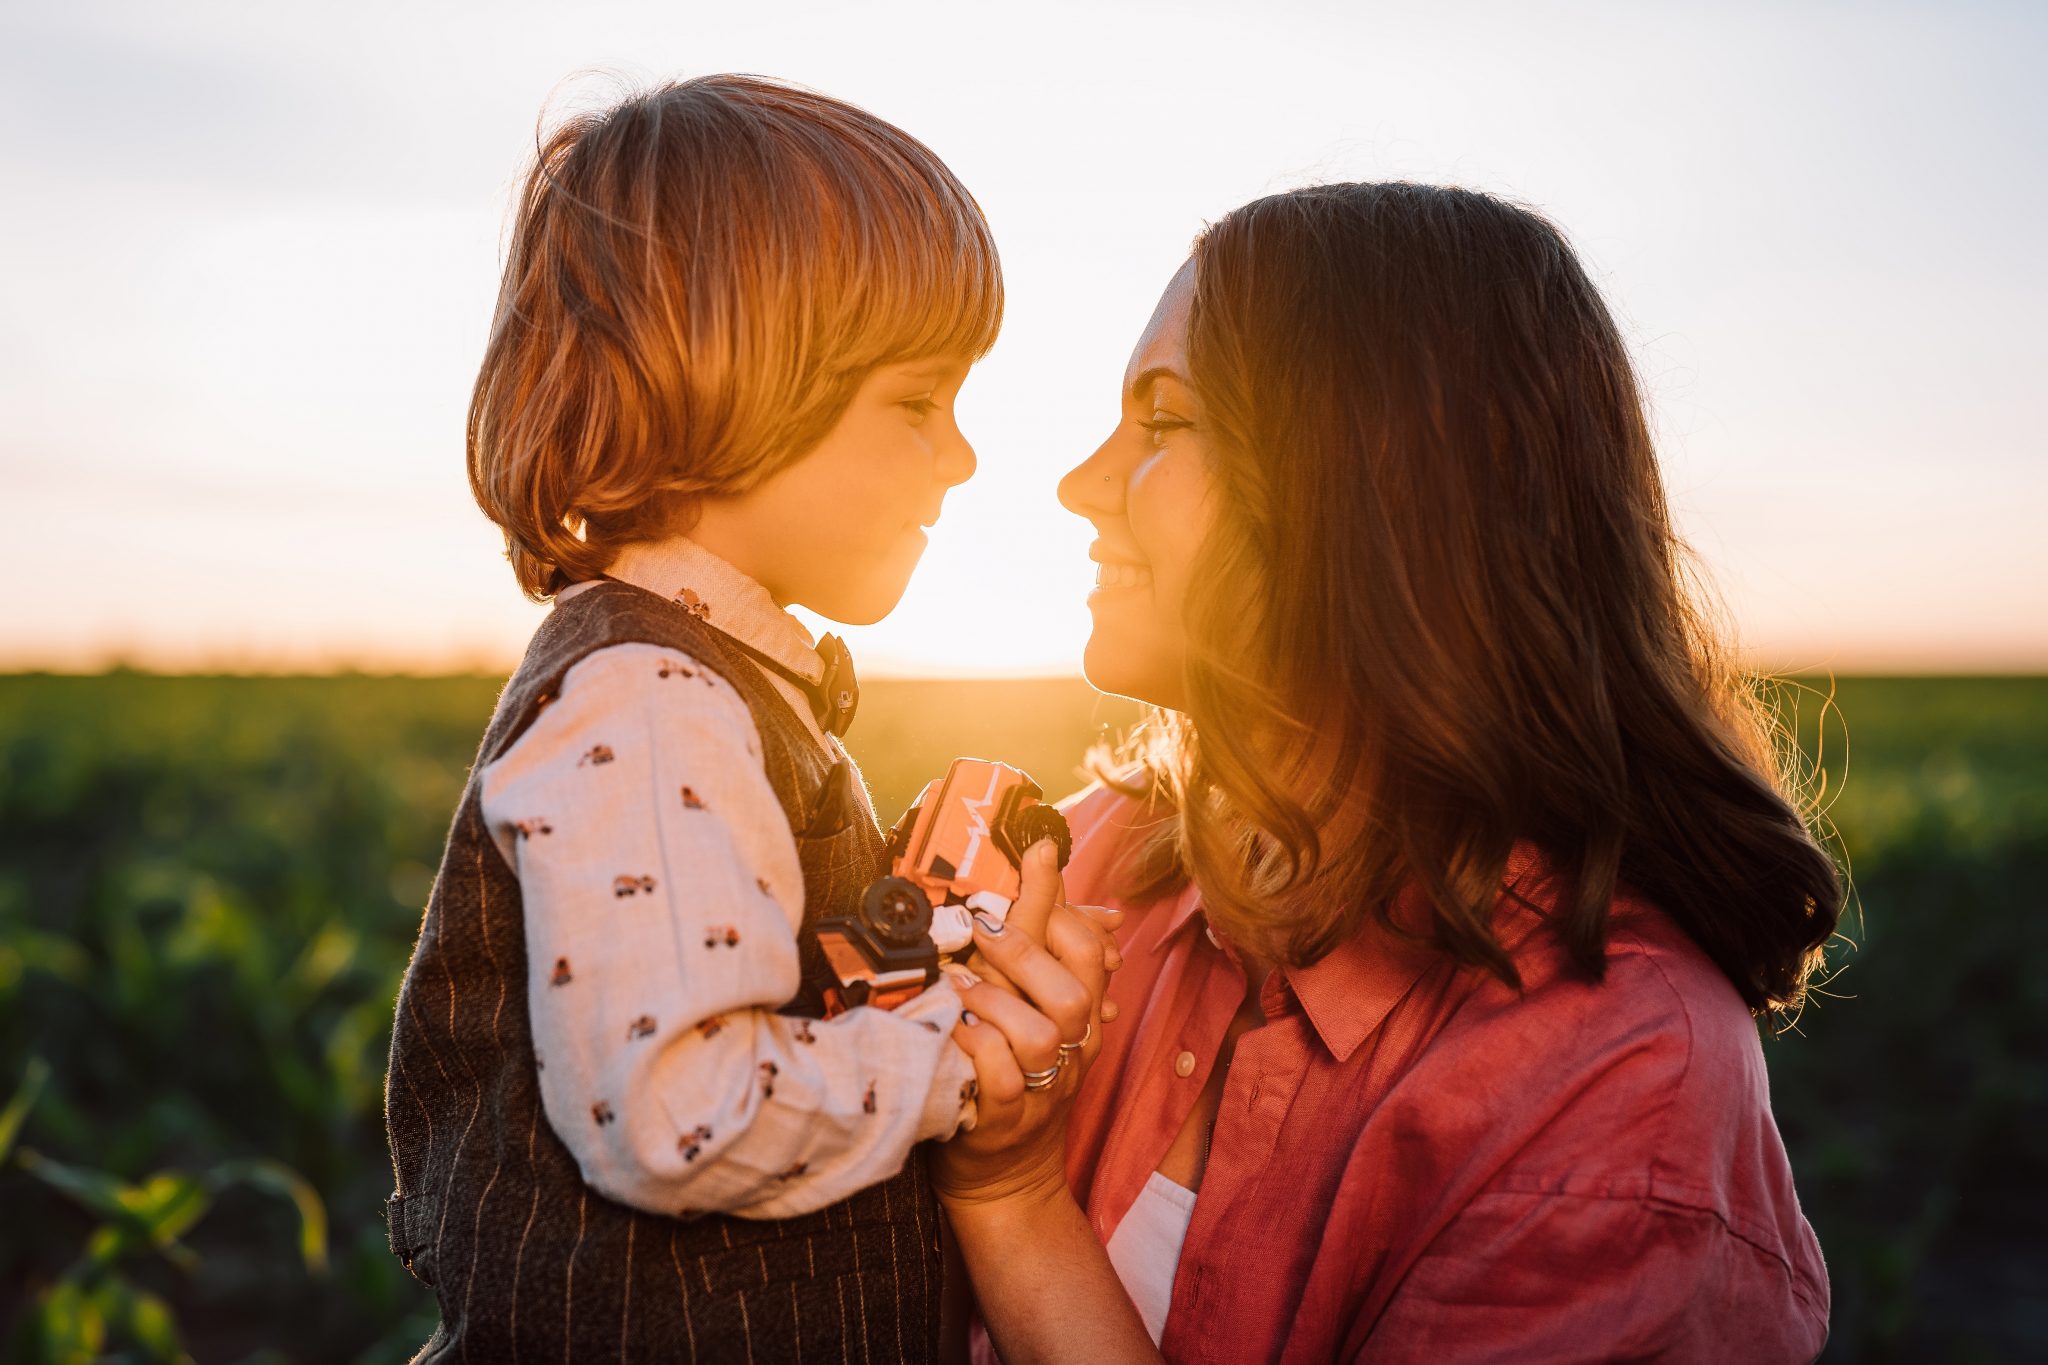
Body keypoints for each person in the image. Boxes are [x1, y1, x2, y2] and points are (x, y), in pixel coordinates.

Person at [936, 182, 1840, 1363]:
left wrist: (1008, 1201)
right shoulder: (1105, 852)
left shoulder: (1618, 1081)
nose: (1081, 484)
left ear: (1366, 486)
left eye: (1160, 423)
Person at [382, 75, 1100, 1362]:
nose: (962, 456)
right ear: (740, 380)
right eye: (917, 402)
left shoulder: (714, 688)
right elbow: (676, 1109)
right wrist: (957, 1057)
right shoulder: (650, 705)